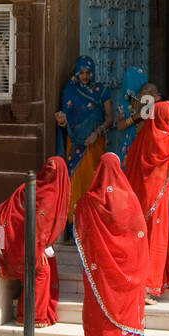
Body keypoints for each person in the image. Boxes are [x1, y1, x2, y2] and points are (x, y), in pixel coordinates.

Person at [74, 153, 149, 336]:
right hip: (129, 276)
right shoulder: (130, 200)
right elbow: (140, 236)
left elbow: (80, 228)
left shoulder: (88, 202)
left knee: (101, 321)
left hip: (101, 277)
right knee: (127, 320)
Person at [0, 156, 70, 326]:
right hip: (23, 241)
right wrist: (38, 250)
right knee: (41, 271)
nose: (49, 173)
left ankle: (31, 313)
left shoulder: (31, 185)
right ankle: (33, 318)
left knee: (43, 267)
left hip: (17, 240)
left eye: (51, 170)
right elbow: (38, 224)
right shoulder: (51, 192)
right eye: (48, 168)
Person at [125, 97, 169, 299]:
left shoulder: (141, 138)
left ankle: (133, 285)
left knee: (138, 241)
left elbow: (128, 163)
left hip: (138, 201)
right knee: (155, 241)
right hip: (159, 202)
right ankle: (148, 288)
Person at [55, 55, 113, 219]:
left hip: (94, 144)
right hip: (74, 145)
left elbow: (110, 118)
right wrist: (62, 121)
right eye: (82, 73)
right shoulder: (69, 92)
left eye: (88, 72)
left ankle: (93, 221)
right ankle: (75, 223)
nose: (85, 76)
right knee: (76, 183)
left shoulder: (101, 91)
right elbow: (66, 121)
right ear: (76, 73)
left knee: (93, 182)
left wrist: (97, 132)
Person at [106, 66, 146, 167]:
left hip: (144, 142)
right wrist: (134, 118)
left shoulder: (149, 100)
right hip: (129, 143)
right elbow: (120, 126)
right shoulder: (124, 101)